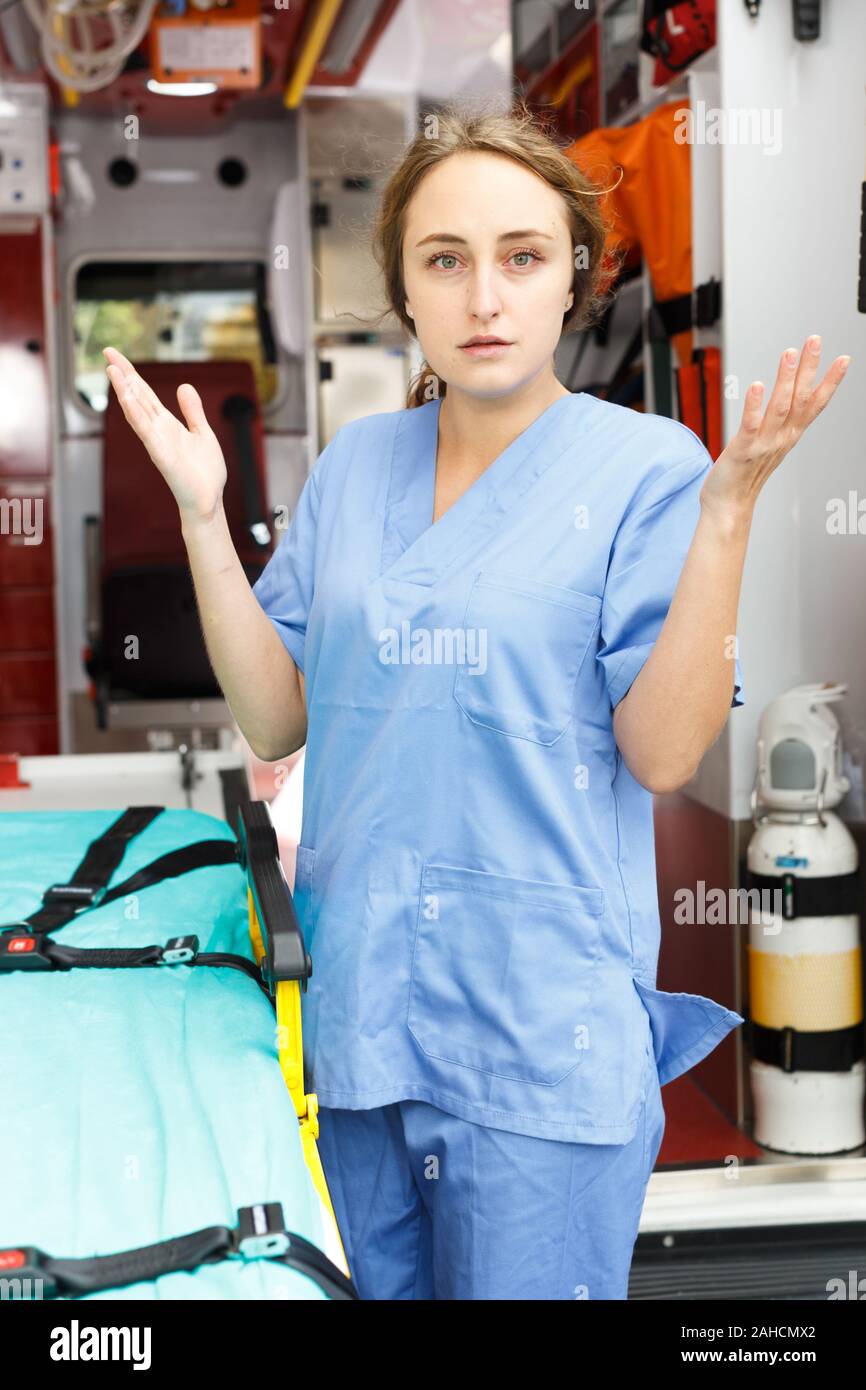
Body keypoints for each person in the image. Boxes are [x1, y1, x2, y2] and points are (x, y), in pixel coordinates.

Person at [103, 101, 850, 1301]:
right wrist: (201, 517)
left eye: (521, 257)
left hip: (539, 1040)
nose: (484, 298)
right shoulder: (352, 471)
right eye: (444, 261)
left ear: (573, 281)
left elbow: (661, 753)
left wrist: (726, 517)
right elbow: (275, 720)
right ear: (404, 288)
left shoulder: (643, 471)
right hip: (365, 1028)